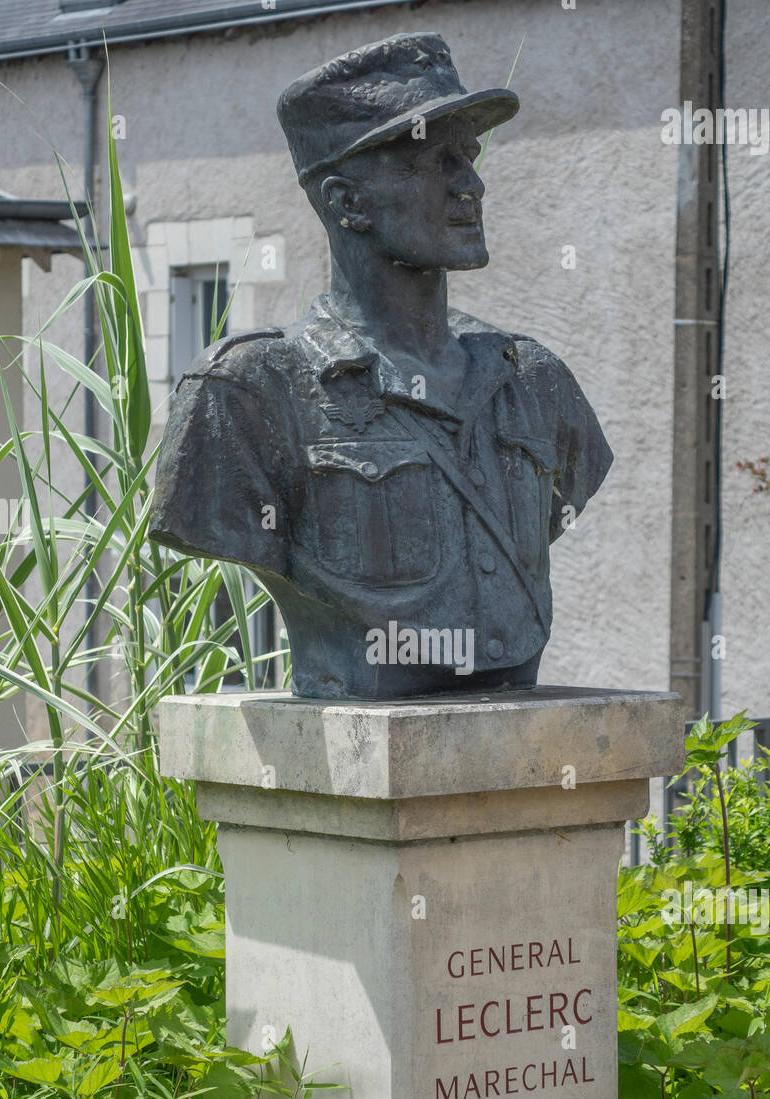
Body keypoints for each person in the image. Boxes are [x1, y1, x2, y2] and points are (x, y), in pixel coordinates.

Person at [149, 31, 613, 699]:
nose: (471, 185)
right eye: (436, 163)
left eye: (470, 158)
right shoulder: (251, 392)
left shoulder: (533, 382)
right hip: (353, 707)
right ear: (348, 203)